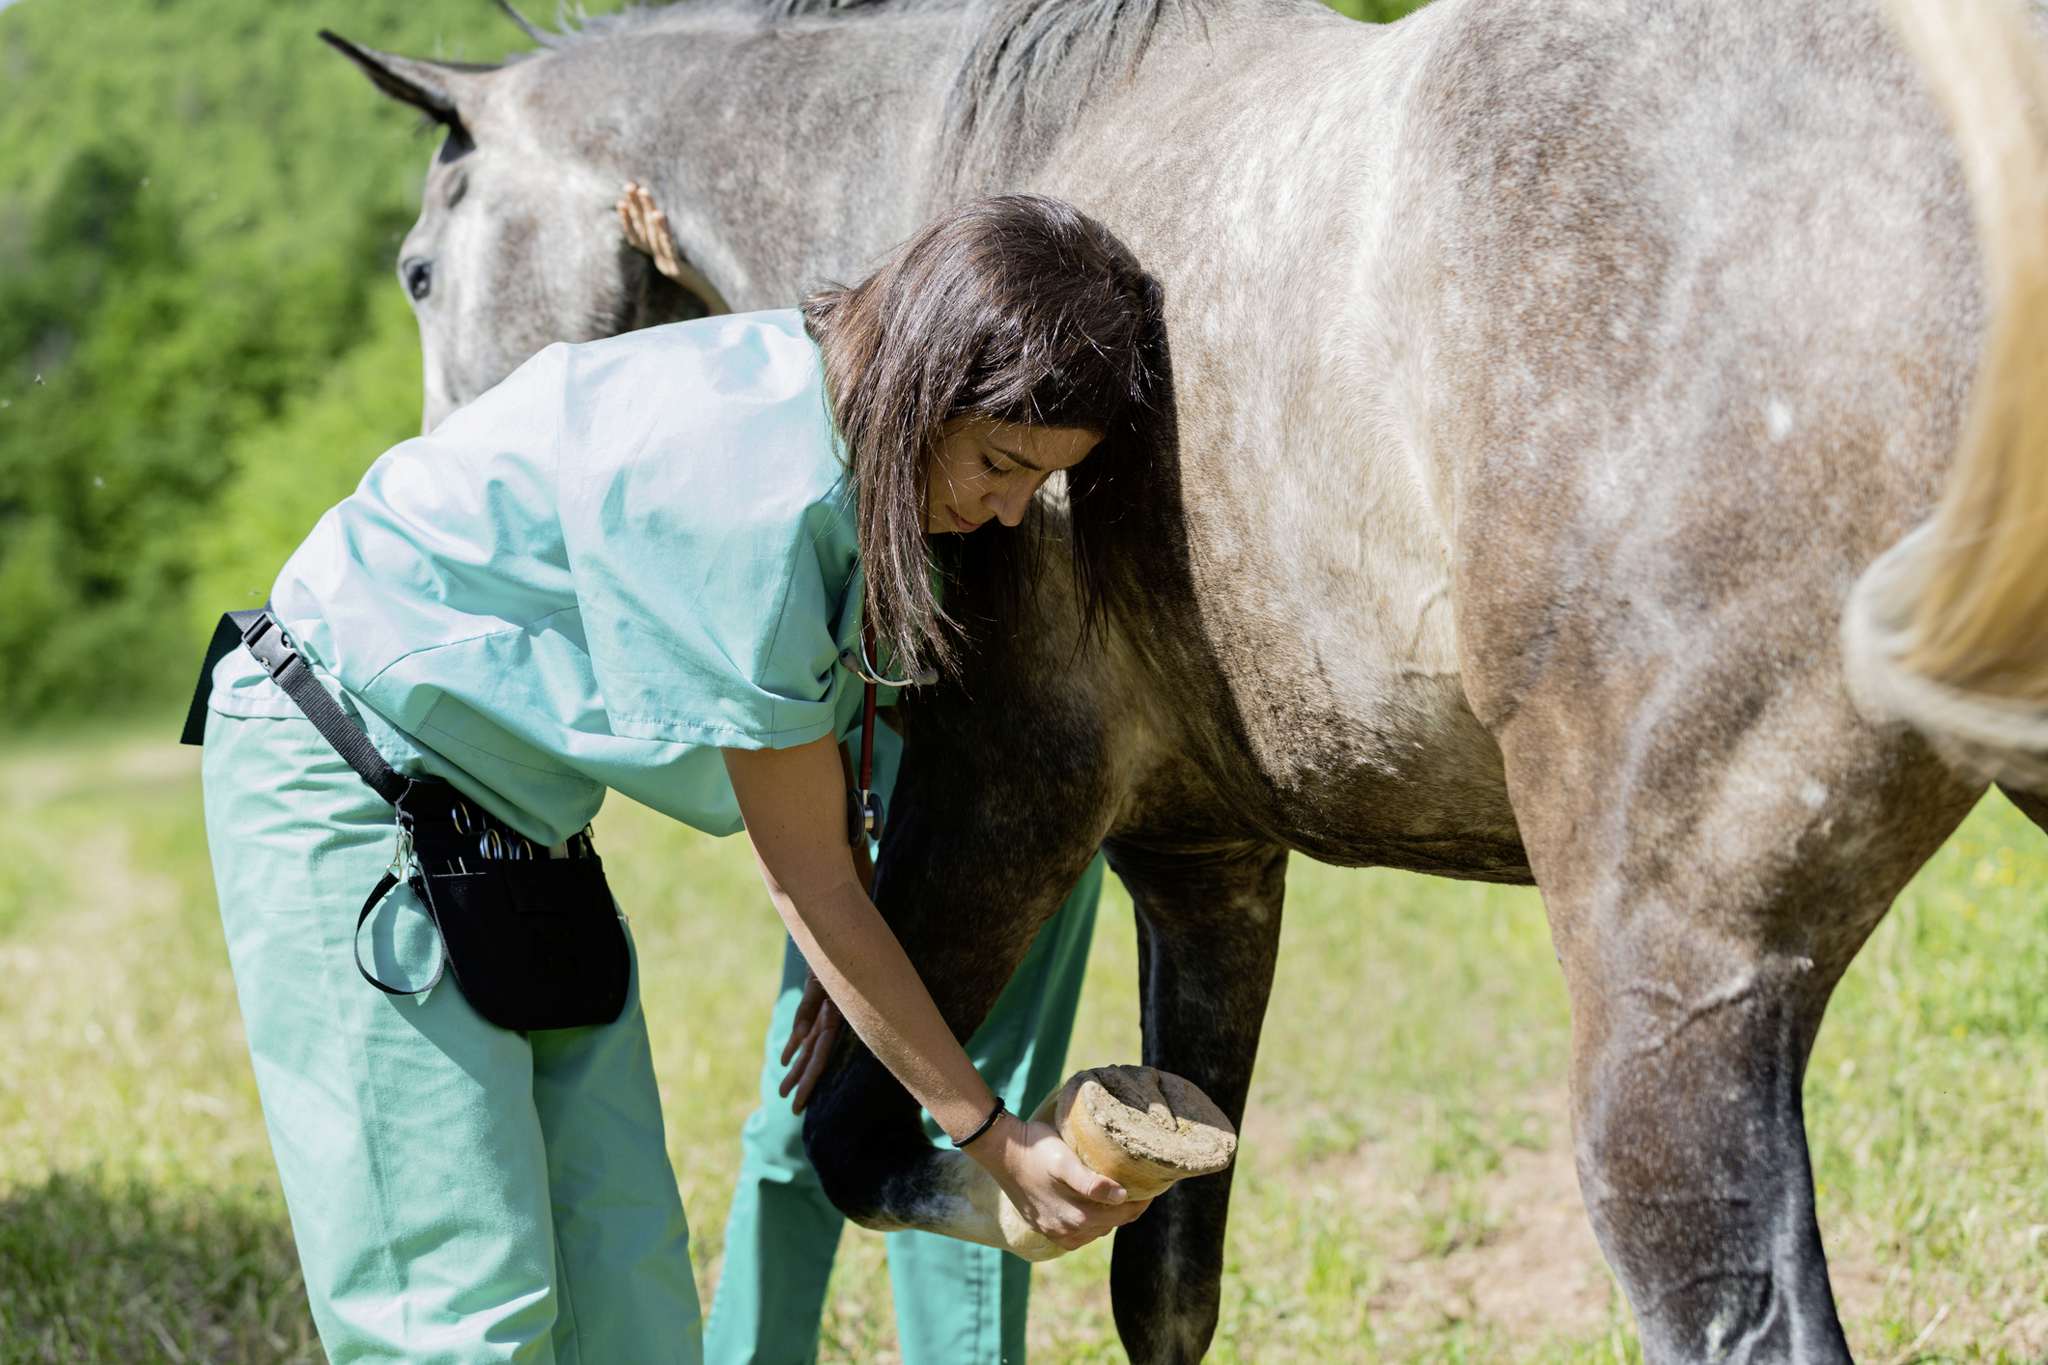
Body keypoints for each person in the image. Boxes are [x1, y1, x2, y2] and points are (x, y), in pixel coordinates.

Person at [193, 192, 1165, 1363]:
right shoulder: (756, 489)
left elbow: (820, 763)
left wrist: (859, 962)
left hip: (517, 814)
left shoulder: (838, 425)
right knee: (458, 1314)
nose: (1006, 512)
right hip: (348, 766)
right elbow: (806, 874)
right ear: (922, 374)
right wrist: (990, 1136)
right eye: (999, 464)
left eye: (1036, 482)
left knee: (632, 1301)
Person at [607, 181, 1107, 1365]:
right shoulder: (846, 425)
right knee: (804, 1115)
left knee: (961, 1108)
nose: (1005, 509)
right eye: (1000, 469)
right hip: (842, 809)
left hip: (991, 807)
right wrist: (852, 946)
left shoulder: (1021, 428)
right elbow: (805, 394)